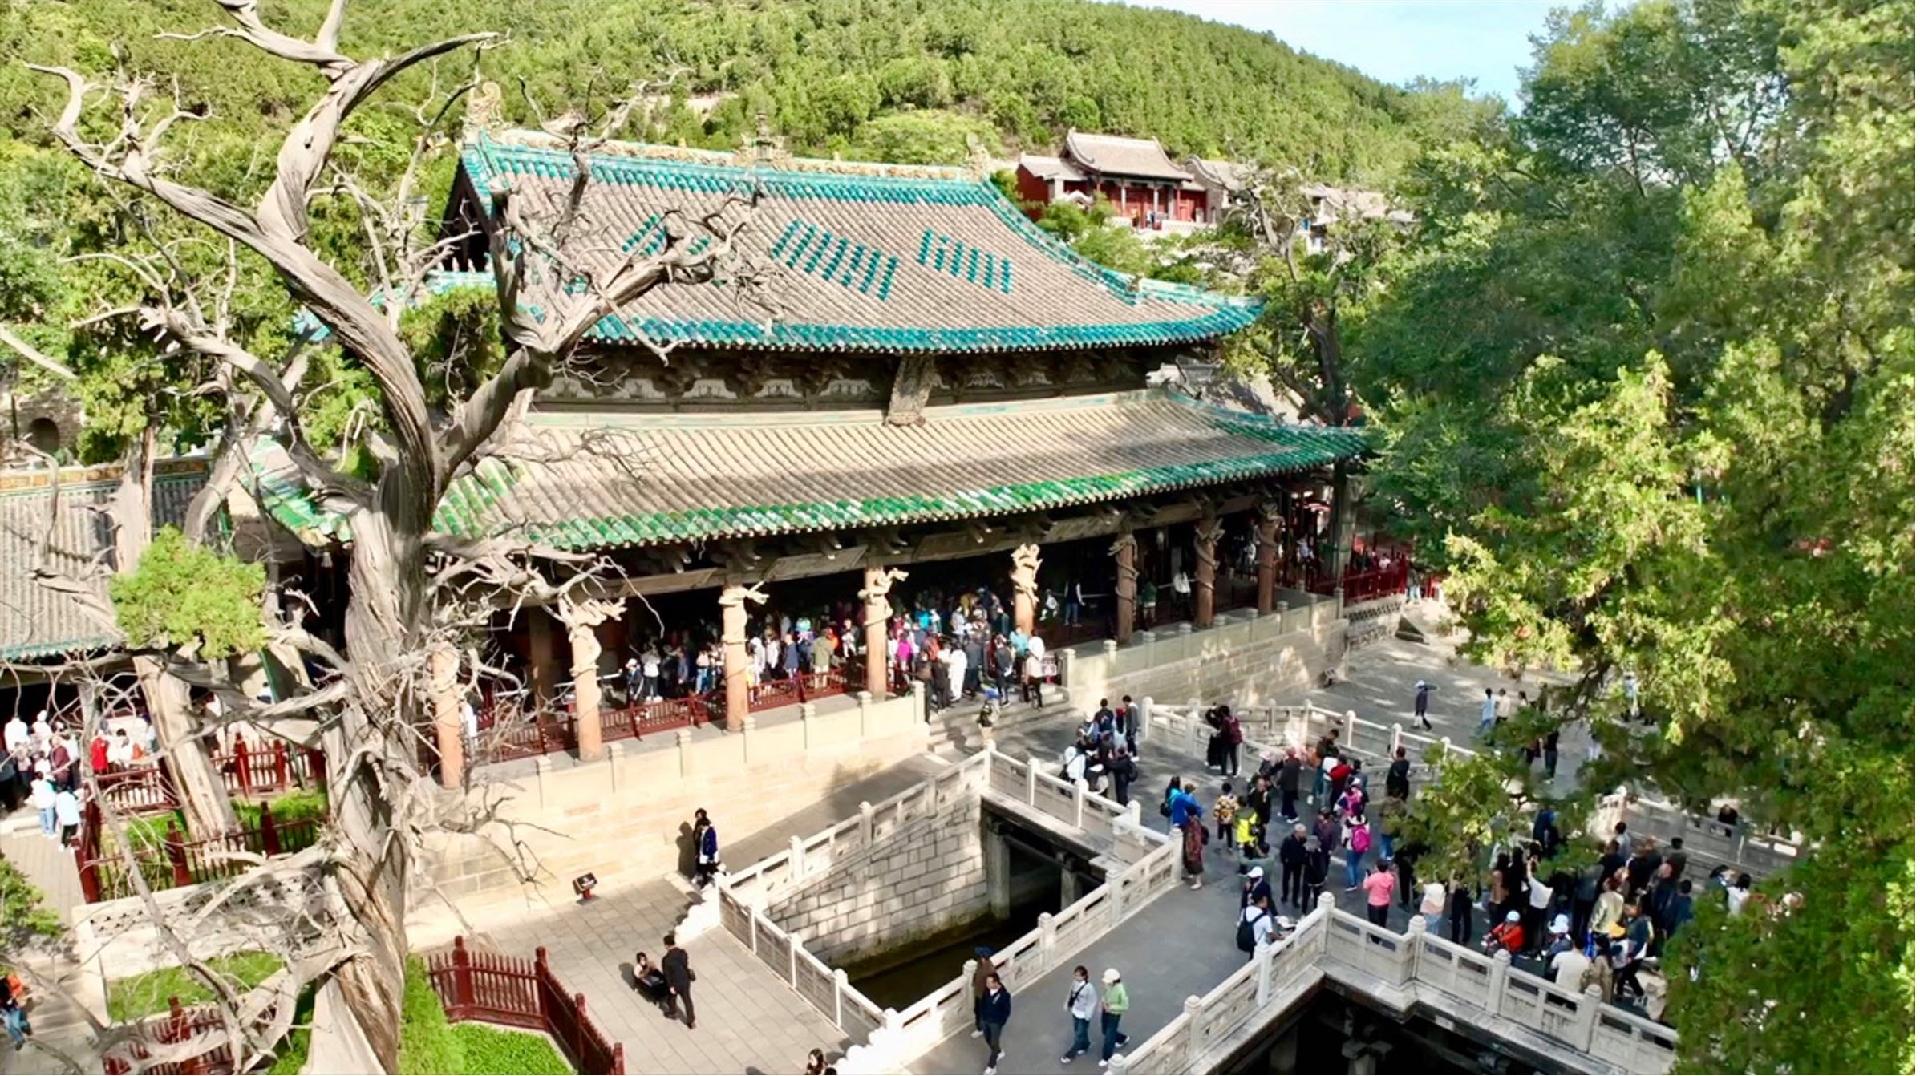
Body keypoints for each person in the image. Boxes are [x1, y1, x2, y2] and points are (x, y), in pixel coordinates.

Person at [1060, 965, 1096, 1064]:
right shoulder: (1074, 983)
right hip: (1075, 1011)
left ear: (1084, 976)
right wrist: (1066, 1003)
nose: (1076, 978)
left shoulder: (1089, 988)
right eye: (1075, 975)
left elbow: (1092, 1002)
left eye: (1078, 976)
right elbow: (1070, 993)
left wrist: (1088, 1014)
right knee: (1079, 1031)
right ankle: (1085, 1045)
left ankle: (1070, 1054)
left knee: (1079, 1035)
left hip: (1084, 1014)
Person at [660, 933, 694, 1029]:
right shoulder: (682, 953)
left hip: (675, 984)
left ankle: (673, 1012)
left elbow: (667, 974)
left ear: (666, 945)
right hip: (685, 980)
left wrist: (670, 986)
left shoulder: (666, 960)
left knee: (671, 998)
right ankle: (691, 1021)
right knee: (687, 1001)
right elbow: (685, 965)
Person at [979, 972, 1011, 1074]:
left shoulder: (1004, 995)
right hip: (985, 1020)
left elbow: (1006, 1011)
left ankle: (991, 1066)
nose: (987, 984)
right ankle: (998, 1051)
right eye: (986, 982)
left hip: (995, 1023)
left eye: (989, 982)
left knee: (994, 1042)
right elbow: (983, 1003)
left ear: (996, 982)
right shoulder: (986, 991)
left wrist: (1000, 1022)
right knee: (987, 1038)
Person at [1098, 968, 1129, 1067]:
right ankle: (1122, 1039)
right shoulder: (1109, 986)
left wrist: (1110, 1007)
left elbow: (1124, 1006)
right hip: (1106, 1010)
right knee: (1104, 1030)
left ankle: (1107, 1057)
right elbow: (1105, 994)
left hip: (1114, 1014)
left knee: (1109, 1036)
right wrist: (1102, 1003)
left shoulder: (1121, 991)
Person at [1278, 824, 1309, 911]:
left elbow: (1305, 851)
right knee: (1286, 880)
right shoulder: (1288, 840)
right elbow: (1283, 852)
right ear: (1297, 832)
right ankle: (1284, 895)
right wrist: (1284, 861)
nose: (1304, 834)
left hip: (1298, 864)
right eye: (1302, 832)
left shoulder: (1304, 841)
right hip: (1289, 864)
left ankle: (1294, 900)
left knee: (1297, 882)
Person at [970, 947, 998, 1038]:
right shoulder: (980, 964)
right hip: (978, 993)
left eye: (980, 956)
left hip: (984, 996)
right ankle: (980, 1028)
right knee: (977, 1011)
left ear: (984, 958)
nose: (979, 958)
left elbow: (993, 985)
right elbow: (976, 974)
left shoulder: (990, 970)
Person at [1238, 893, 1276, 958]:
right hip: (1259, 946)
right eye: (1265, 900)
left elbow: (1240, 924)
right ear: (1260, 902)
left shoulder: (1245, 910)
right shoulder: (1265, 918)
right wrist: (1281, 938)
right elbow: (1272, 935)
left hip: (1246, 941)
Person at [1361, 861, 1396, 926]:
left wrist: (1366, 877)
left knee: (1373, 922)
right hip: (1385, 902)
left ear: (1377, 868)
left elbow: (1365, 887)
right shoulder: (1390, 877)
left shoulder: (1373, 877)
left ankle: (1374, 936)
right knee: (1382, 920)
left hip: (1373, 903)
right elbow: (1391, 889)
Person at [692, 809, 719, 887]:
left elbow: (712, 843)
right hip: (702, 851)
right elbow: (698, 839)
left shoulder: (709, 829)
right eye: (697, 816)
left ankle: (714, 878)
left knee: (710, 867)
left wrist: (710, 854)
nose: (697, 817)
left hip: (707, 853)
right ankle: (705, 881)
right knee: (703, 867)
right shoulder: (700, 827)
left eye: (698, 816)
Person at [0, 974, 27, 1050]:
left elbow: (16, 988)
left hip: (12, 1007)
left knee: (15, 1024)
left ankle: (23, 1033)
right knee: (9, 1027)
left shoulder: (5, 982)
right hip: (4, 1010)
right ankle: (19, 1039)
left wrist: (12, 997)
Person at [1212, 781, 1239, 851]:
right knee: (1229, 833)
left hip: (1222, 819)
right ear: (1230, 790)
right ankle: (1230, 847)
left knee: (1220, 832)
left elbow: (1217, 809)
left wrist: (1215, 817)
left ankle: (1219, 846)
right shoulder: (1234, 798)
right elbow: (1236, 808)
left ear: (1222, 790)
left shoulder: (1221, 799)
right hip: (1230, 819)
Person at [1277, 750, 1302, 823]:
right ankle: (1284, 812)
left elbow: (1284, 777)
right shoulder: (1296, 762)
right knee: (1286, 800)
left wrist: (1278, 782)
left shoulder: (1287, 765)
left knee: (1288, 802)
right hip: (1293, 785)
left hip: (1288, 786)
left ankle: (1293, 816)